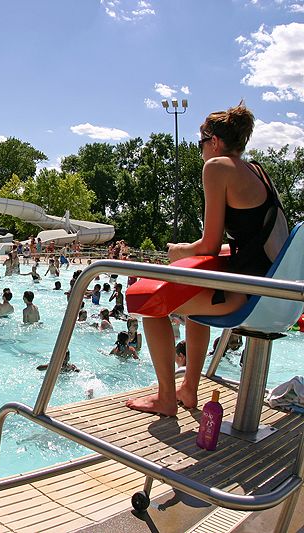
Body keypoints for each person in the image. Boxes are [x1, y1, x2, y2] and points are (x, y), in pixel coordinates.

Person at [127, 102, 289, 416]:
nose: (200, 149)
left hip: (250, 295)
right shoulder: (257, 171)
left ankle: (166, 398)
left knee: (150, 305)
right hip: (276, 294)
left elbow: (210, 246)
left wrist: (179, 250)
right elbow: (254, 242)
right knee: (193, 305)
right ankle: (188, 389)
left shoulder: (217, 167)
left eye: (201, 142)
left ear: (214, 141)